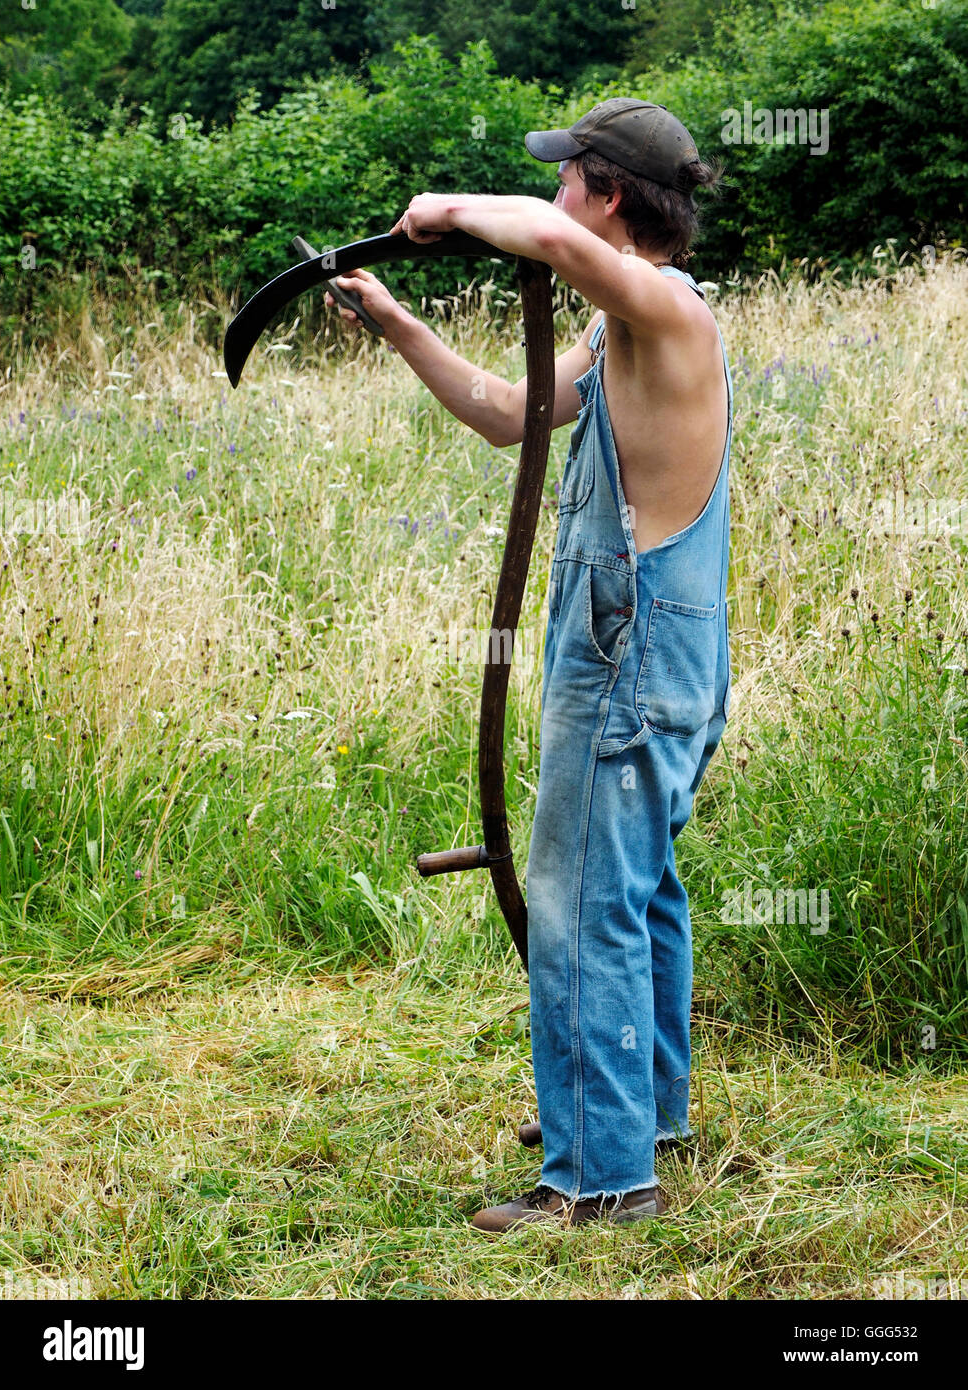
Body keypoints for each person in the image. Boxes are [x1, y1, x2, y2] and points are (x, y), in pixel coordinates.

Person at [325, 98, 733, 1231]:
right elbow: (511, 415)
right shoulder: (618, 338)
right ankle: (640, 1119)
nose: (555, 197)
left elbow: (552, 243)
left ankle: (600, 1184)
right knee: (635, 890)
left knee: (582, 901)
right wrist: (401, 322)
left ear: (606, 191)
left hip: (630, 654)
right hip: (650, 651)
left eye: (566, 178)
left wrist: (444, 209)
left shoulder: (667, 314)